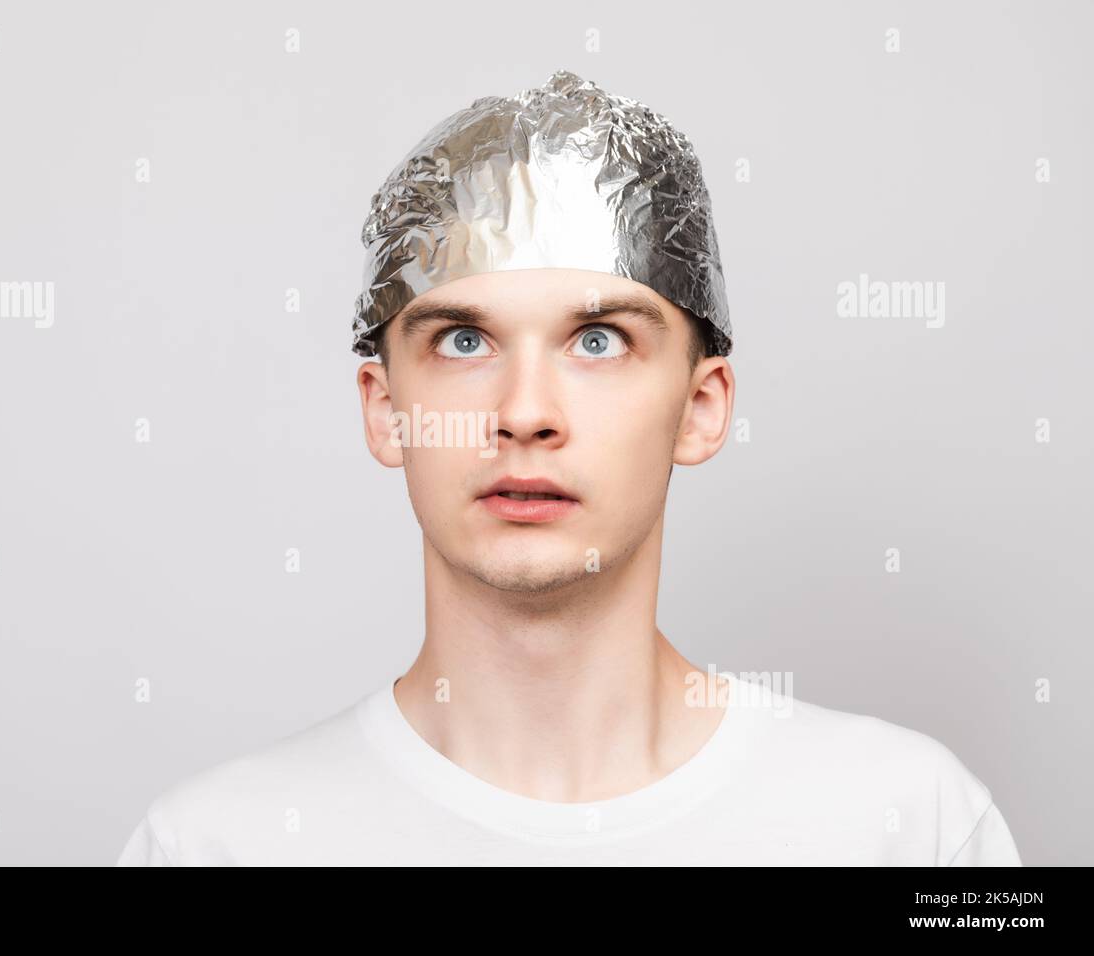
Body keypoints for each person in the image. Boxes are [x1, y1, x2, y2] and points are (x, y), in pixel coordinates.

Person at [116, 70, 1021, 866]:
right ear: (386, 410)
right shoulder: (217, 849)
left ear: (701, 409)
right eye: (464, 340)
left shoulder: (911, 830)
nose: (525, 414)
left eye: (597, 340)